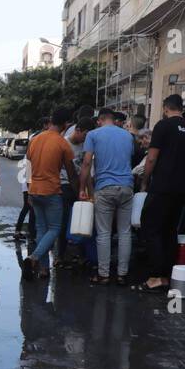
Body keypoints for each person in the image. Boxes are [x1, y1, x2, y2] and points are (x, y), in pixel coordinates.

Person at [135, 94, 185, 293]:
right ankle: (166, 275)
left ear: (165, 108)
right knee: (170, 231)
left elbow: (152, 158)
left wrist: (145, 181)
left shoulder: (163, 126)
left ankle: (155, 276)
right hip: (182, 189)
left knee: (151, 228)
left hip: (162, 186)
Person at [81, 107, 137, 285]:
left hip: (104, 188)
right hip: (127, 187)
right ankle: (122, 274)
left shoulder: (93, 135)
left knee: (104, 233)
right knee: (124, 232)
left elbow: (87, 162)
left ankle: (104, 274)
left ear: (100, 120)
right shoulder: (128, 136)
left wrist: (82, 188)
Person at [22, 107, 78, 280]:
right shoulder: (63, 143)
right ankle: (34, 258)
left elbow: (28, 169)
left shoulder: (35, 140)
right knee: (55, 229)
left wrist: (29, 192)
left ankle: (44, 269)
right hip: (52, 191)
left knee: (42, 229)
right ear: (66, 123)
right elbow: (71, 173)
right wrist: (79, 193)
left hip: (34, 191)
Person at [55, 108, 94, 269]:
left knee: (82, 220)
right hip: (64, 186)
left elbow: (88, 169)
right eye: (84, 134)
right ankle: (59, 255)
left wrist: (89, 192)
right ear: (77, 130)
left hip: (79, 185)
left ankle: (81, 255)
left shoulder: (86, 145)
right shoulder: (63, 143)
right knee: (63, 222)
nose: (86, 138)